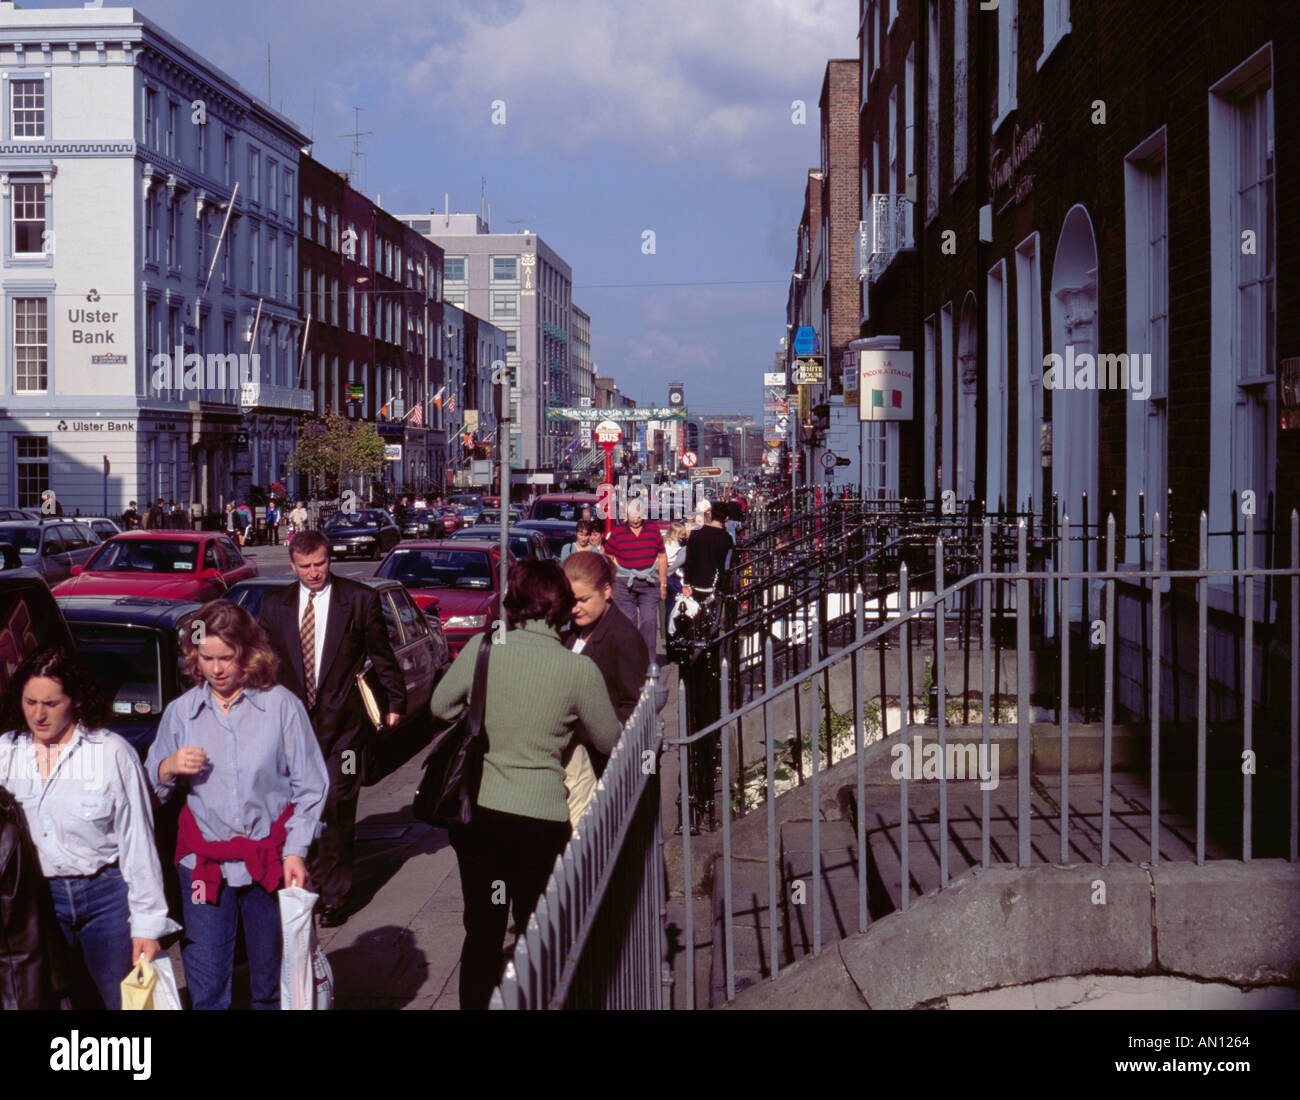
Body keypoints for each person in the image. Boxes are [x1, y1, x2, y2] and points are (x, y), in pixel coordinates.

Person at [429, 560, 621, 1010]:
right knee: (537, 927)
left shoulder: (485, 647)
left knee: (484, 929)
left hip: (479, 816)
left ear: (514, 603)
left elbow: (439, 706)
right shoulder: (577, 671)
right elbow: (611, 739)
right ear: (561, 608)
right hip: (540, 820)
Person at [145, 601, 328, 1010]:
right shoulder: (181, 713)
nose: (217, 669)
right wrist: (167, 768)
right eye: (206, 658)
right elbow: (148, 792)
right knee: (207, 984)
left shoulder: (281, 706)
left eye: (227, 657)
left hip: (270, 860)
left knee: (270, 983)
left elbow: (311, 787)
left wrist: (297, 850)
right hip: (202, 863)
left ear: (249, 653)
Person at [0, 648, 179, 1009]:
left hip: (108, 900)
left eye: (51, 703)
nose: (38, 714)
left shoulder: (112, 753)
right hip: (36, 904)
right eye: (30, 701)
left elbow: (138, 841)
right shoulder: (6, 752)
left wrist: (147, 924)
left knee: (132, 1002)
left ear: (77, 701)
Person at [257, 530, 406, 927]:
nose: (313, 572)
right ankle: (303, 882)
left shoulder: (358, 599)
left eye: (320, 563)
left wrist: (395, 702)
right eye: (304, 566)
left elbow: (381, 652)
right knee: (299, 809)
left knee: (338, 806)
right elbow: (263, 666)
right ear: (292, 565)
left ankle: (335, 895)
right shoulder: (274, 607)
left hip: (346, 729)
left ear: (329, 560)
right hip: (293, 730)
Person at [562, 551, 649, 726]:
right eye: (571, 601)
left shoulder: (624, 638)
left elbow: (635, 706)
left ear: (606, 590)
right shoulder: (573, 630)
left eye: (583, 600)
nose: (575, 609)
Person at [602, 499, 667, 663]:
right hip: (624, 584)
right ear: (627, 517)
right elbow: (607, 554)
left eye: (638, 517)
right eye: (633, 517)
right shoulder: (618, 533)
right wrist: (616, 571)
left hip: (650, 583)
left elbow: (662, 556)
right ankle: (628, 661)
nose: (636, 520)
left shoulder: (653, 530)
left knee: (649, 622)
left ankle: (648, 663)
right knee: (627, 623)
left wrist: (664, 584)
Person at [682, 502, 734, 603]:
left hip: (695, 583)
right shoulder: (727, 538)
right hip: (715, 585)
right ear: (726, 518)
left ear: (710, 515)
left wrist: (686, 583)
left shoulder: (696, 532)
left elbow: (689, 559)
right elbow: (727, 565)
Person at [661, 520, 690, 635]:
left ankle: (668, 631)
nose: (684, 537)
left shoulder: (664, 543)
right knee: (676, 605)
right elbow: (677, 563)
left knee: (669, 606)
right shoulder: (677, 546)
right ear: (676, 534)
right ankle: (675, 631)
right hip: (674, 576)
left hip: (666, 576)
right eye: (682, 535)